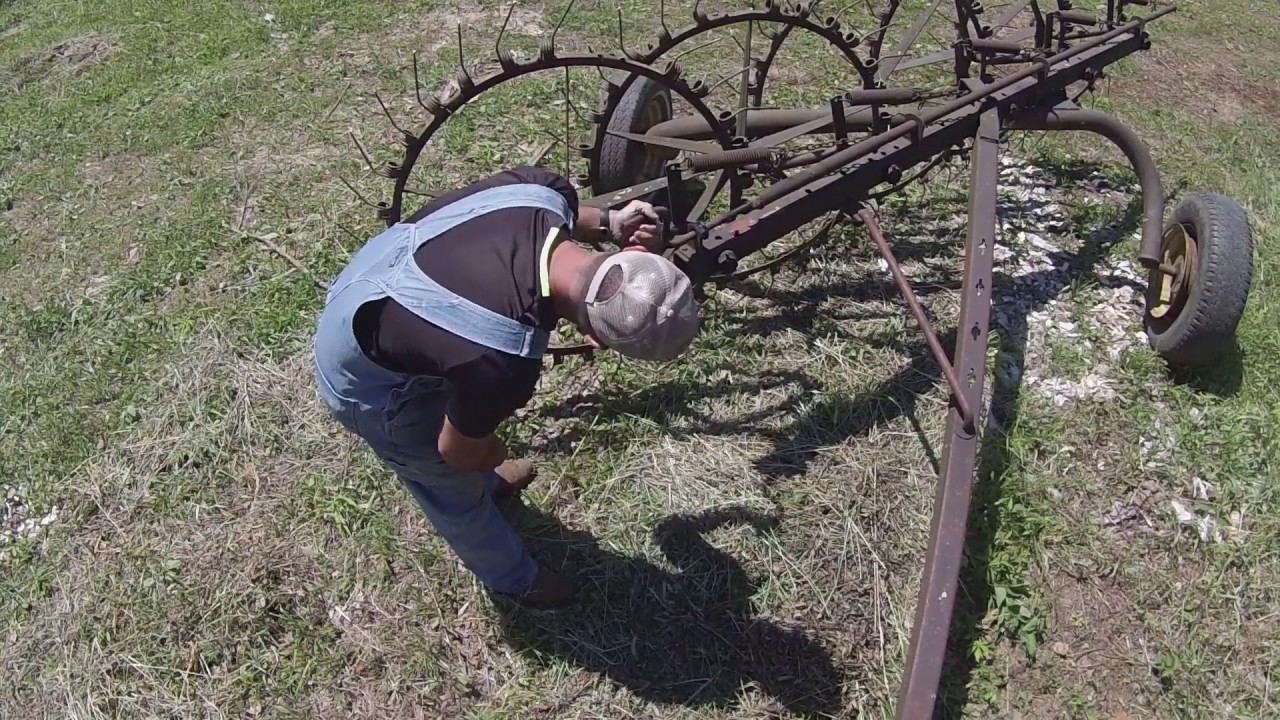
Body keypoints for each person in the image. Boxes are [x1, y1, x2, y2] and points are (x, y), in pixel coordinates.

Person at [312, 165, 701, 608]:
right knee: (449, 483)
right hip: (362, 373)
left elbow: (566, 213)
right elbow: (455, 450)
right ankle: (513, 578)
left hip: (376, 272)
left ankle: (491, 484)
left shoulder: (542, 191)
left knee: (463, 403)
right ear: (596, 336)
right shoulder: (501, 360)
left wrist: (611, 221)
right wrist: (488, 455)